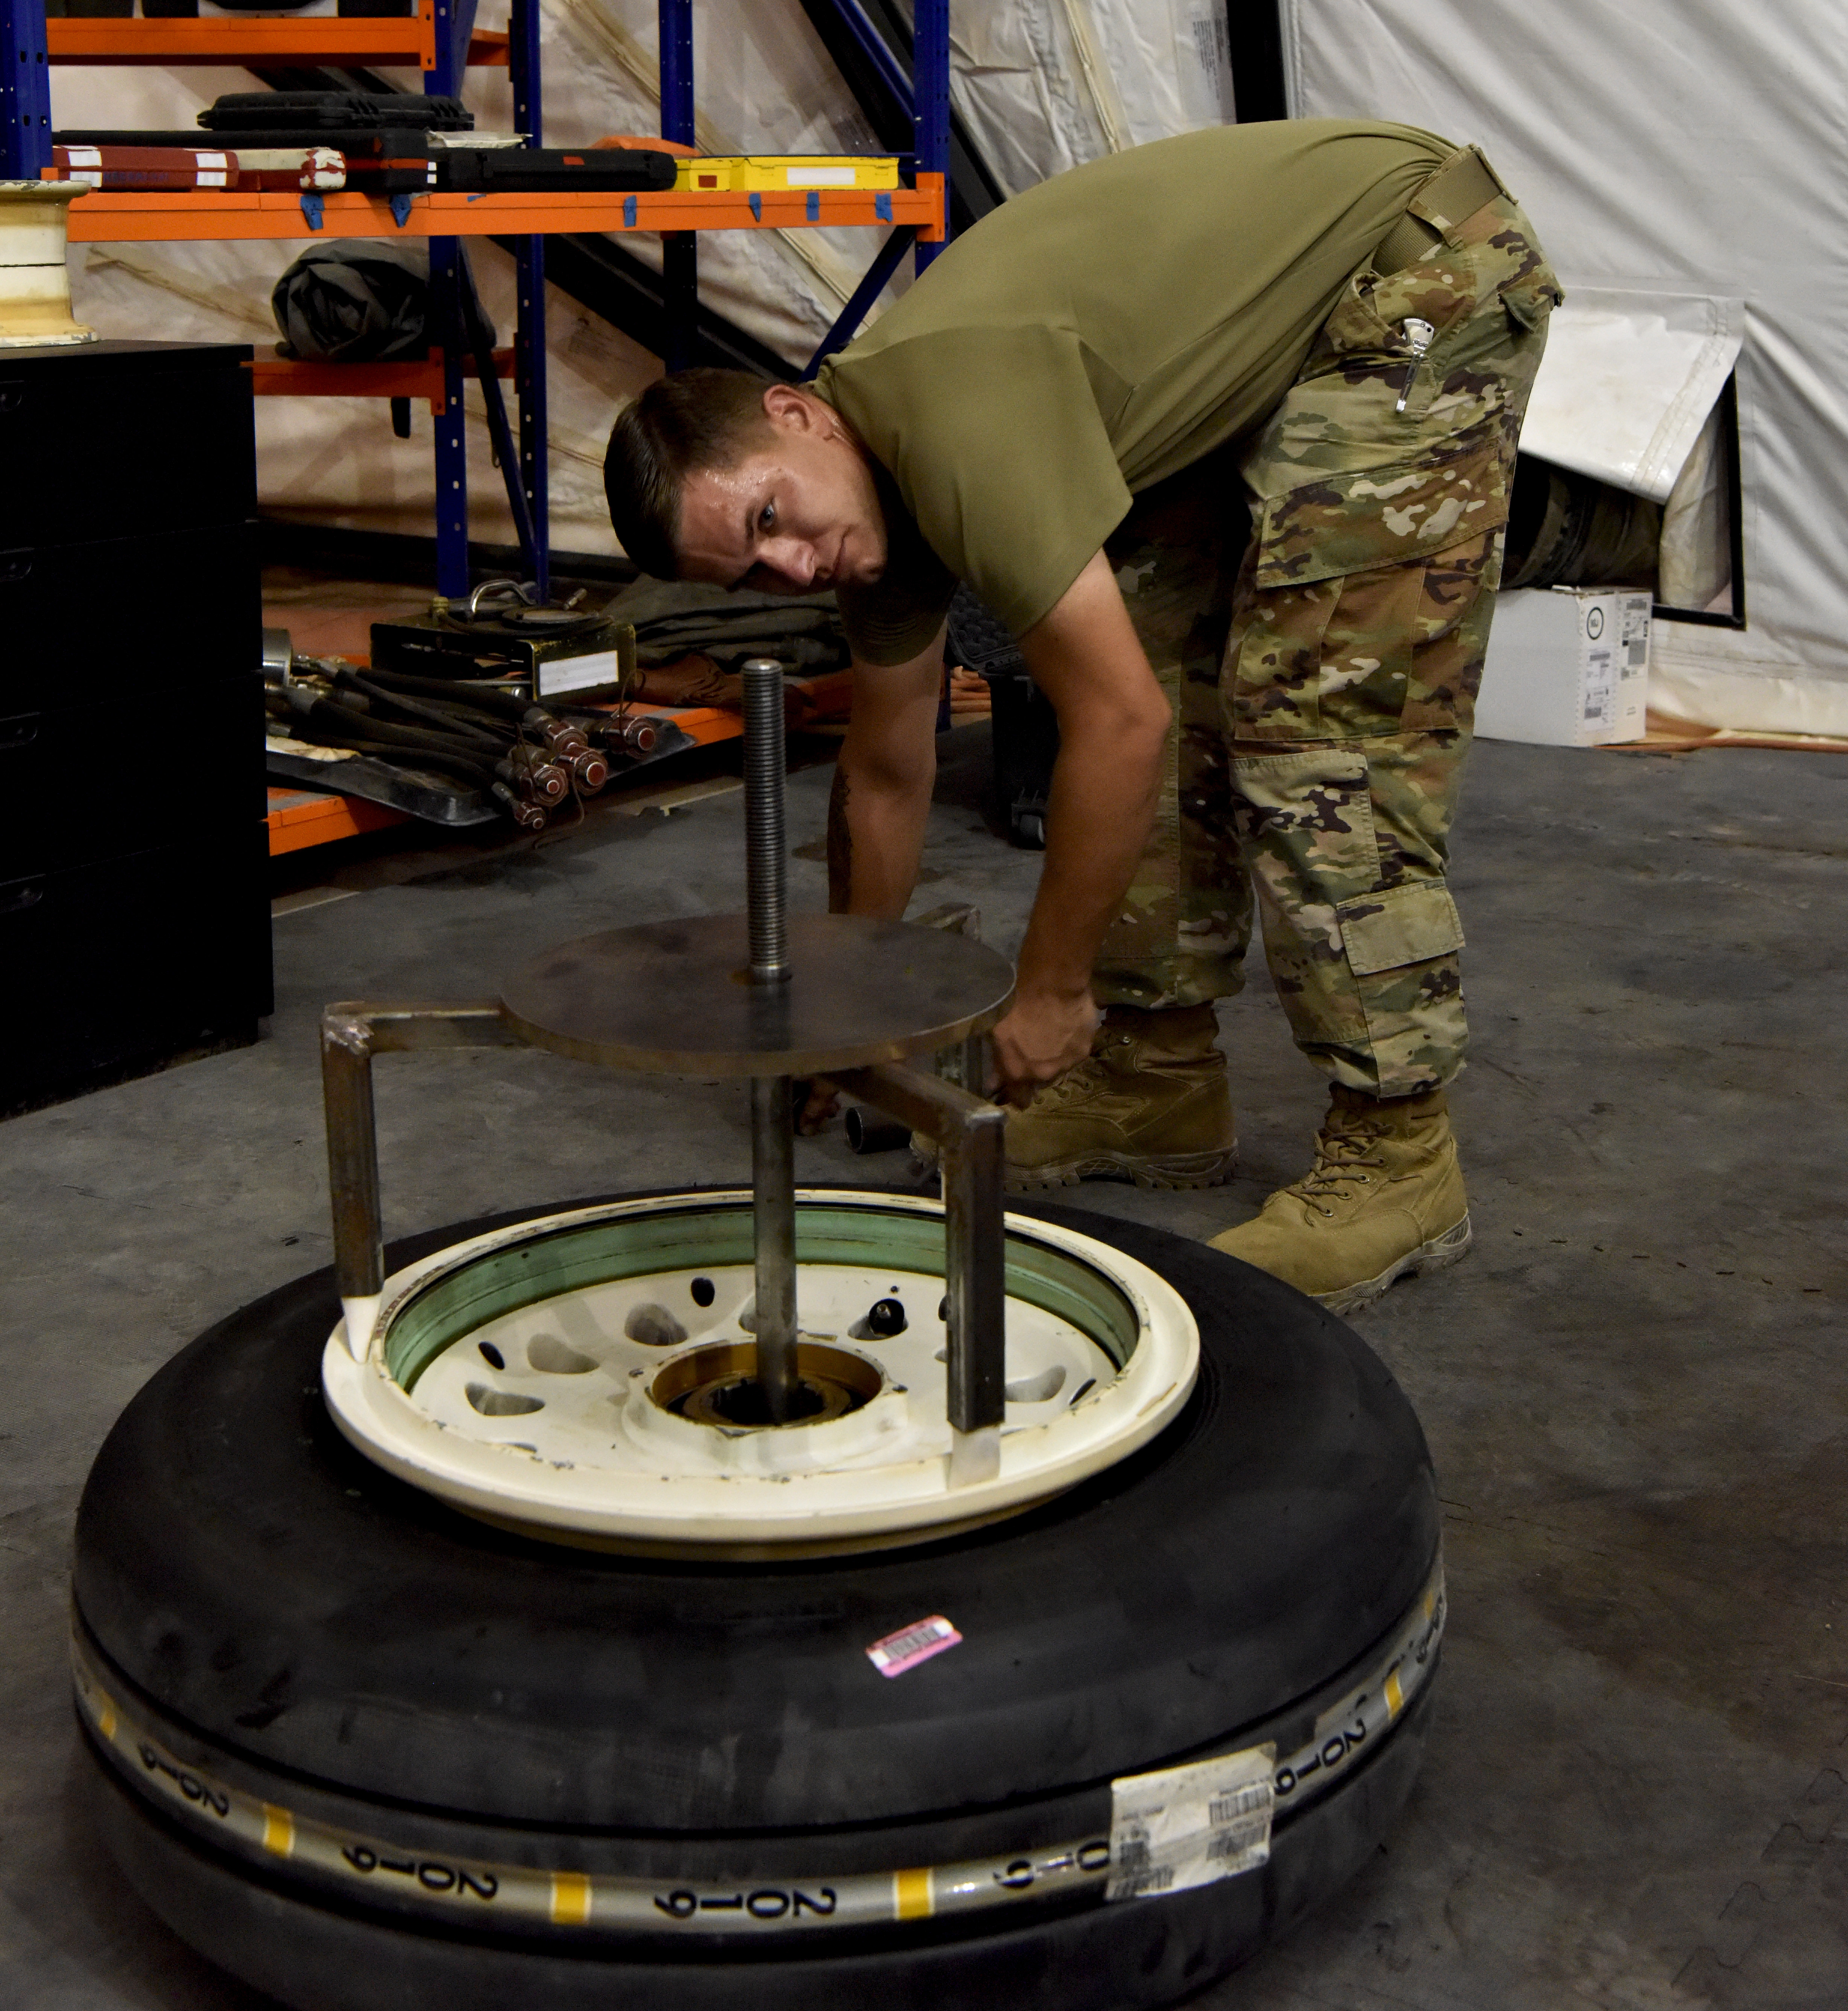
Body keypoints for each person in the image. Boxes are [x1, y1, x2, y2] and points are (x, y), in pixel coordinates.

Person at [602, 118, 1560, 1315]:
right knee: (1154, 648)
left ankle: (1399, 1152)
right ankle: (1158, 1072)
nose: (791, 570)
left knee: (1317, 721)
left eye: (767, 521)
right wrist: (854, 1015)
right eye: (751, 575)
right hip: (1292, 339)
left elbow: (1119, 728)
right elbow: (889, 773)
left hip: (1418, 280)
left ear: (799, 416)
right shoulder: (866, 522)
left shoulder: (954, 428)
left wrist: (1049, 988)